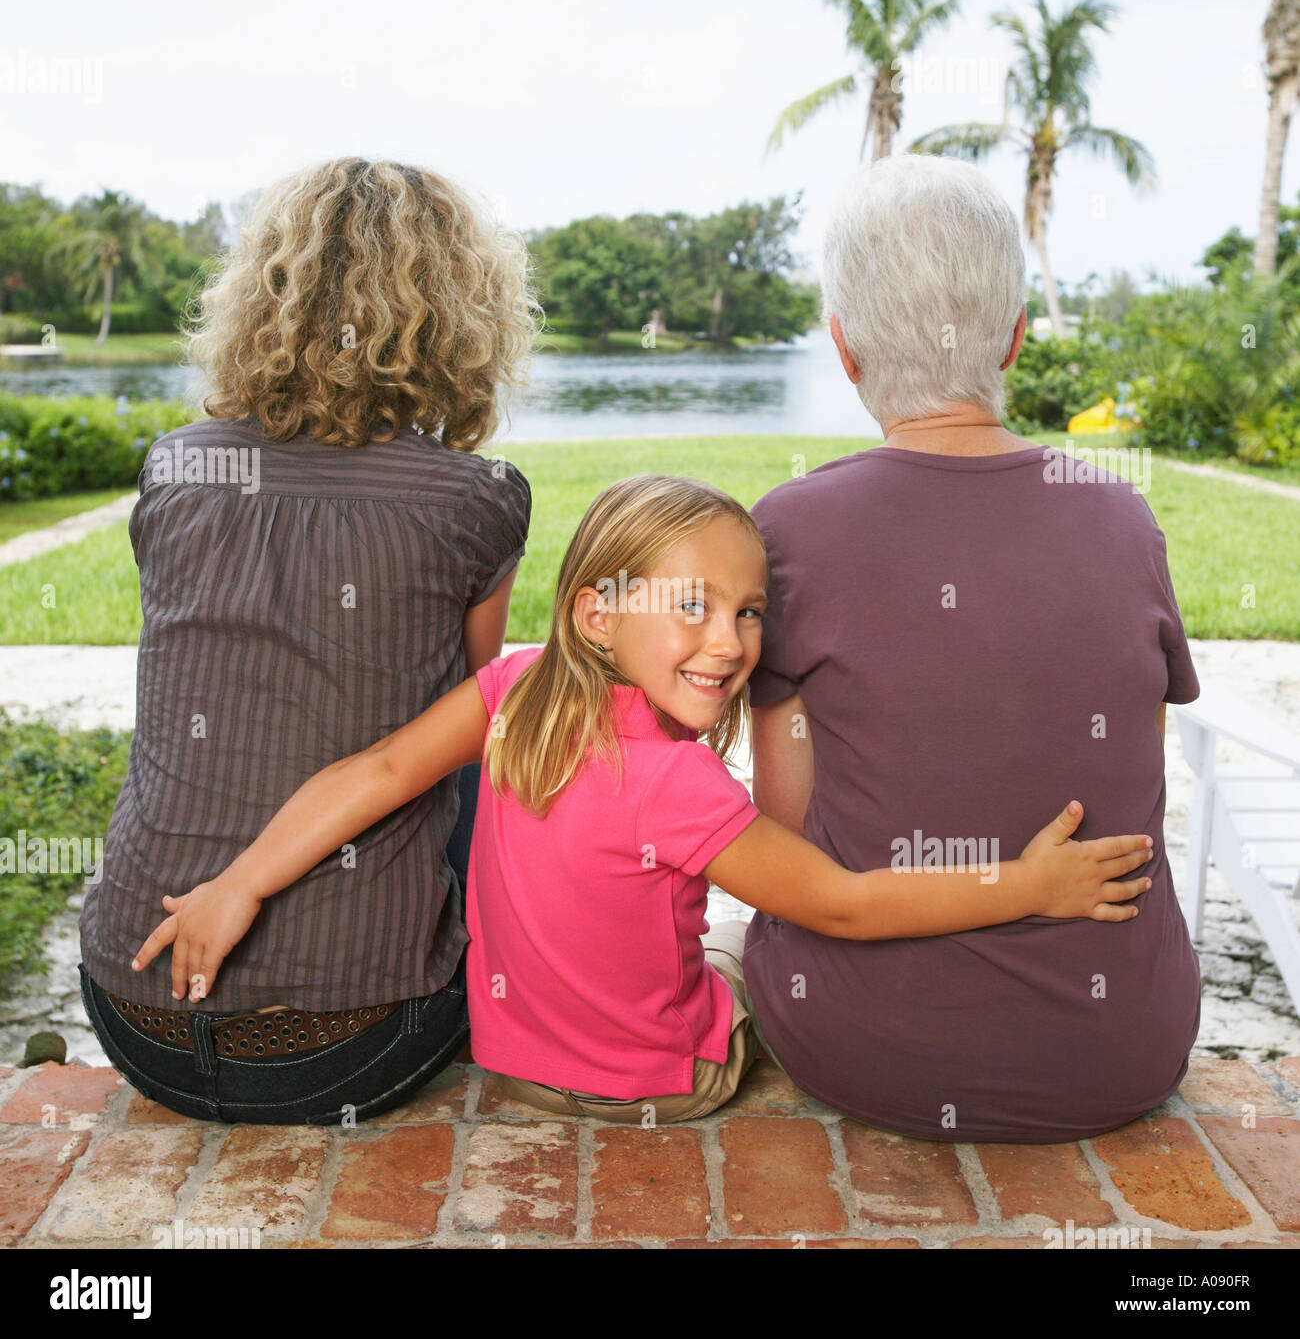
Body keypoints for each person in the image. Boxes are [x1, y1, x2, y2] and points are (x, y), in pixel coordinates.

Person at [130, 474, 1155, 1125]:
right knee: (771, 954)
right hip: (653, 1086)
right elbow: (846, 901)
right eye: (691, 606)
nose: (729, 642)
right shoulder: (678, 782)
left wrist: (237, 883)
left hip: (509, 1057)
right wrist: (1025, 885)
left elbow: (377, 774)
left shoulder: (514, 688)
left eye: (749, 612)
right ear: (599, 611)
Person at [743, 153, 1202, 1143]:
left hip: (863, 1045)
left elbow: (783, 836)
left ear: (844, 349)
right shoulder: (1120, 514)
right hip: (1123, 1045)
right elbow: (1129, 772)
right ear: (1016, 339)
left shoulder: (788, 531)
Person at [78, 157, 537, 1124]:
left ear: (262, 298)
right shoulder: (475, 498)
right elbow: (467, 711)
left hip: (132, 1016)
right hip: (350, 1046)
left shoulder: (173, 469)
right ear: (459, 313)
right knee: (480, 744)